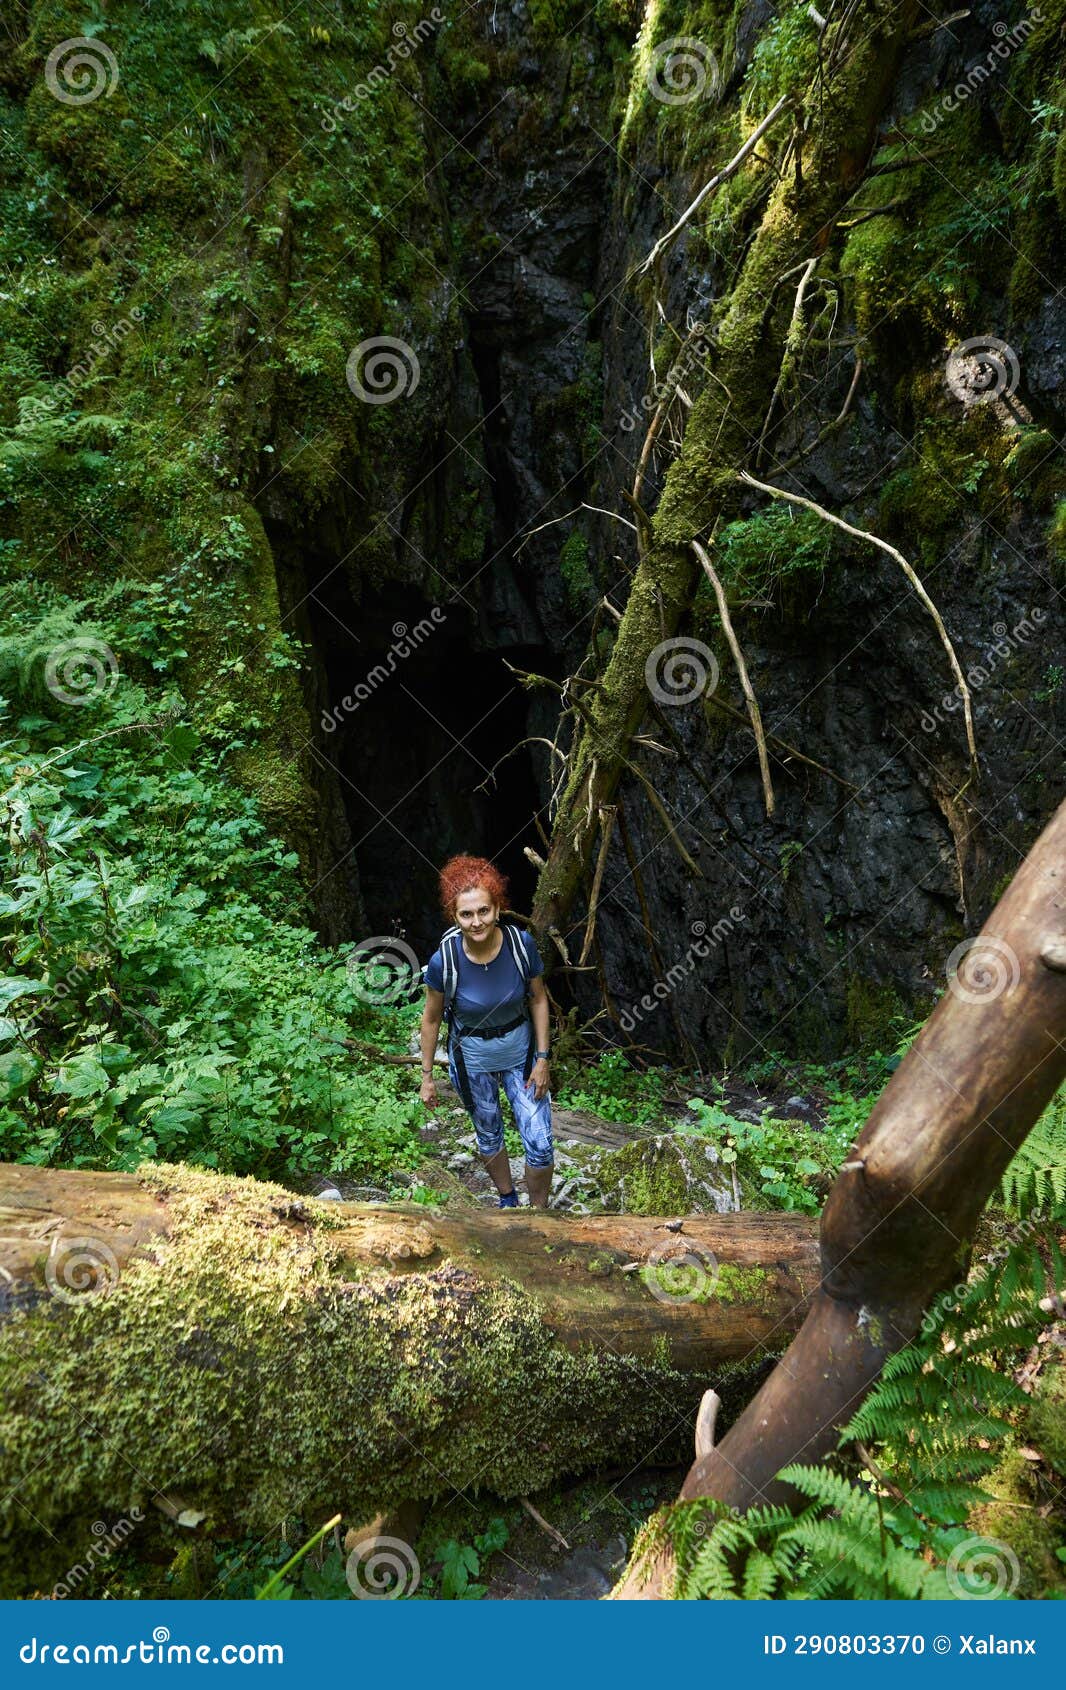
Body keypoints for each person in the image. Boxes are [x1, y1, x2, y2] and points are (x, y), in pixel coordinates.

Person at [419, 855, 554, 1208]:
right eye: (466, 914)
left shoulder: (521, 946)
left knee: (540, 1143)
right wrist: (427, 1075)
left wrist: (543, 1058)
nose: (476, 921)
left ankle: (539, 1213)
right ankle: (508, 1200)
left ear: (498, 907)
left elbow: (538, 1000)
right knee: (489, 1135)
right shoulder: (444, 961)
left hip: (521, 1054)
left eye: (484, 911)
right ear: (455, 915)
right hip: (472, 1060)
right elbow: (431, 1019)